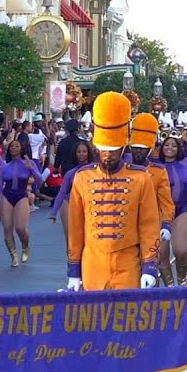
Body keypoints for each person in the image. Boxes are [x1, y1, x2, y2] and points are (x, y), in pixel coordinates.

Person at [66, 92, 161, 291]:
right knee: (93, 319)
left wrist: (149, 266)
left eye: (114, 149)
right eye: (104, 149)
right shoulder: (82, 177)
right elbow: (75, 227)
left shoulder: (140, 178)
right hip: (92, 262)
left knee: (127, 319)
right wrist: (74, 269)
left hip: (127, 262)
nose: (108, 155)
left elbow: (149, 225)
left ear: (123, 147)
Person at [127, 113, 176, 281]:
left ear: (149, 150)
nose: (137, 152)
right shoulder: (124, 169)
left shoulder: (159, 171)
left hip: (151, 227)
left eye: (141, 149)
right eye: (135, 148)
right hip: (128, 228)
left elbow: (166, 203)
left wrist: (166, 225)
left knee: (150, 271)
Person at [157, 133, 187, 286]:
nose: (169, 148)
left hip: (181, 211)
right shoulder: (155, 166)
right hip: (160, 214)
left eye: (173, 145)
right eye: (166, 145)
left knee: (180, 250)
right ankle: (170, 287)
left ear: (178, 148)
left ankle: (182, 280)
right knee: (162, 254)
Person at [0, 137, 39, 267]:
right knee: (7, 229)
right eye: (12, 146)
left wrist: (32, 170)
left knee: (20, 228)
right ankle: (14, 255)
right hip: (6, 196)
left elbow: (40, 179)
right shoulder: (4, 166)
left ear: (22, 149)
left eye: (16, 146)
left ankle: (25, 245)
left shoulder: (28, 163)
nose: (14, 148)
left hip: (21, 195)